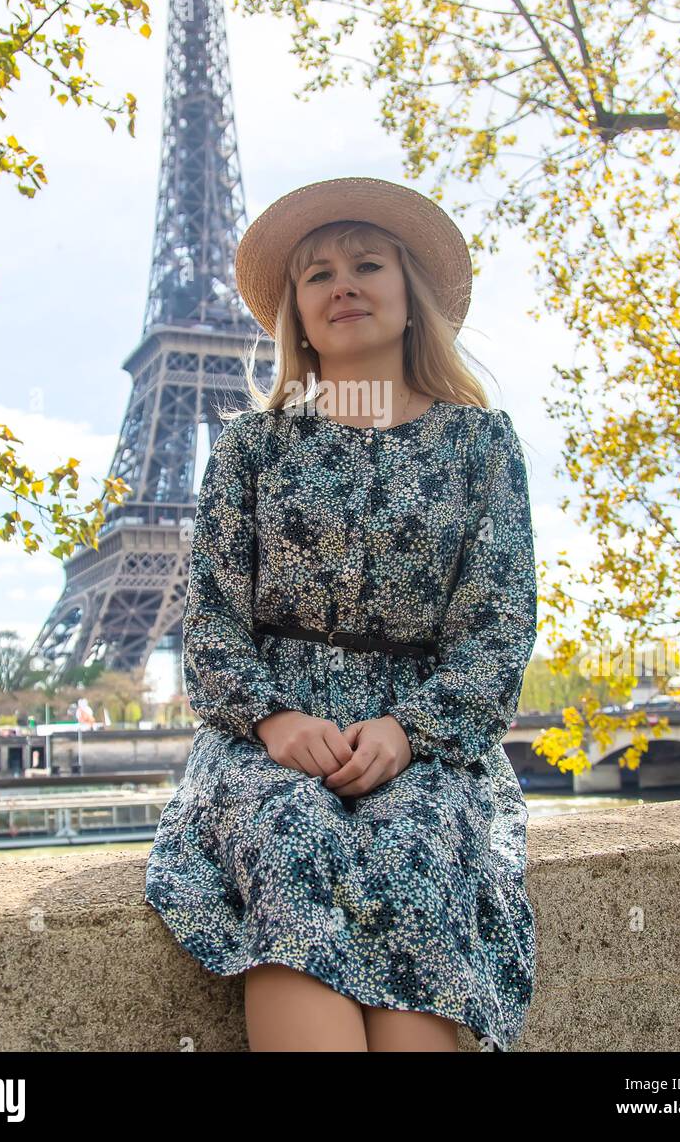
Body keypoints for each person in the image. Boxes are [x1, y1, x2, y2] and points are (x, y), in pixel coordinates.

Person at [145, 175, 538, 1052]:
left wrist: (411, 728)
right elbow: (208, 619)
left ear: (410, 301)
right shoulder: (251, 445)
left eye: (368, 264)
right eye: (317, 275)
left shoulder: (480, 444)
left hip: (425, 739)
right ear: (297, 312)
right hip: (268, 736)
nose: (342, 284)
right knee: (288, 838)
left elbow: (498, 621)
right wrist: (273, 717)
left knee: (417, 851)